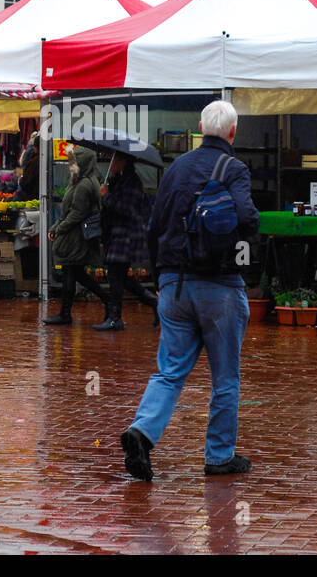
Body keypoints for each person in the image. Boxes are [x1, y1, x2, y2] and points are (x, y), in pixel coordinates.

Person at [120, 100, 259, 481]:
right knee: (225, 377)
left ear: (200, 127)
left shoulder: (176, 168)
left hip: (173, 284)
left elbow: (154, 225)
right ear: (233, 132)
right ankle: (218, 457)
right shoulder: (234, 169)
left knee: (170, 371)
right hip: (219, 287)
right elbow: (247, 220)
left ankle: (142, 431)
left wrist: (160, 275)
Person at [43, 146, 109, 325]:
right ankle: (106, 300)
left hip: (76, 237)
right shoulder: (79, 181)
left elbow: (76, 214)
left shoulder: (84, 185)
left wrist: (58, 229)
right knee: (76, 274)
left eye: (73, 162)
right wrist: (57, 226)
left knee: (70, 273)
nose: (70, 165)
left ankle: (66, 313)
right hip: (73, 235)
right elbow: (69, 212)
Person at [94, 153, 158, 331]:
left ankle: (115, 318)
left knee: (116, 275)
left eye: (114, 160)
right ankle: (154, 303)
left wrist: (106, 196)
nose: (111, 164)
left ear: (123, 162)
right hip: (118, 234)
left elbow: (126, 209)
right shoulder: (120, 180)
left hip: (125, 235)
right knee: (121, 278)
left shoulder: (132, 182)